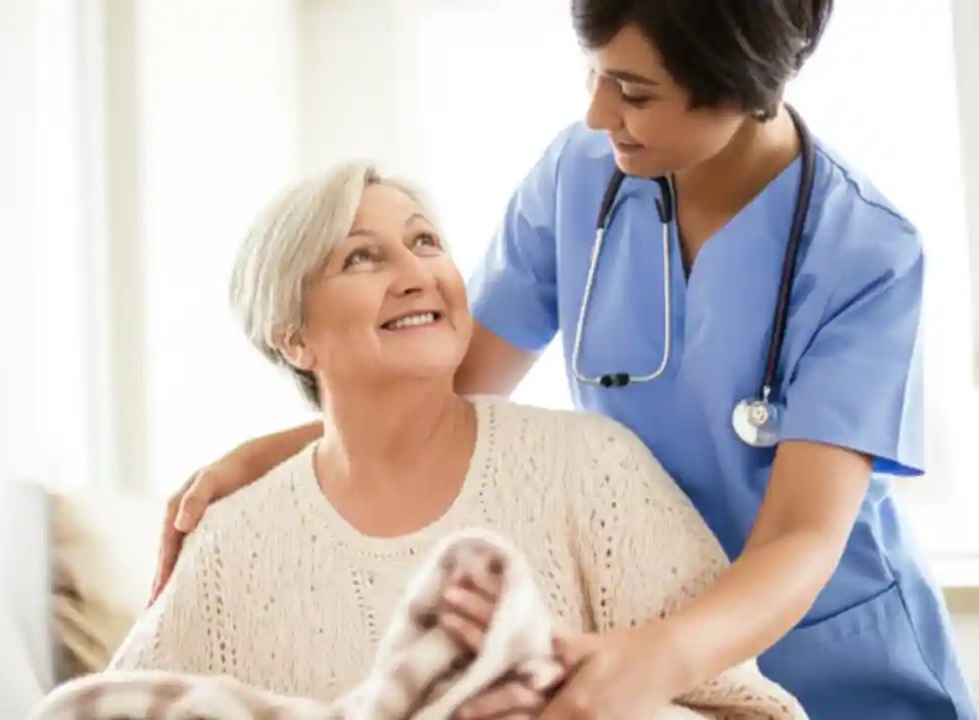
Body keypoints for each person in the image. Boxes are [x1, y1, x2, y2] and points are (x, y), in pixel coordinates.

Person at [150, 2, 978, 719]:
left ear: (742, 82)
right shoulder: (582, 178)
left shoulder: (865, 252)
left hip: (832, 651)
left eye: (634, 92)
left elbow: (801, 537)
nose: (596, 113)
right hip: (650, 627)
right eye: (596, 73)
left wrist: (654, 658)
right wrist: (284, 455)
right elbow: (446, 387)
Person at [114, 161, 805, 719]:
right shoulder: (234, 543)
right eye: (361, 257)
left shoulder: (591, 469)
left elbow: (748, 711)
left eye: (425, 242)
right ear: (294, 339)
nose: (416, 274)